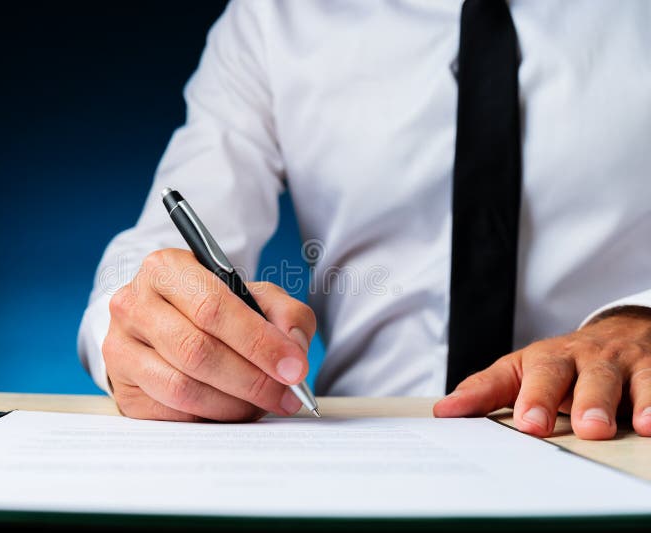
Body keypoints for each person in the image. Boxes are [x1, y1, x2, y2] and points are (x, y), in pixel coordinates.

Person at [77, 0, 651, 440]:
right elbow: (156, 248)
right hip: (358, 454)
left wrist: (640, 319)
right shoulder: (277, 18)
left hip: (609, 432)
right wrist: (141, 323)